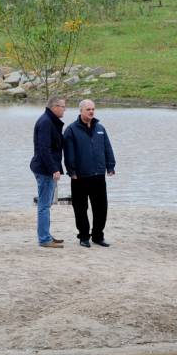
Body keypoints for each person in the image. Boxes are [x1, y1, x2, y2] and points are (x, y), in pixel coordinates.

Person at [63, 99, 116, 248]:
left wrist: (110, 166)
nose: (91, 112)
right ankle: (84, 237)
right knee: (80, 209)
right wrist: (71, 171)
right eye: (88, 109)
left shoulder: (100, 128)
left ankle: (98, 236)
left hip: (98, 175)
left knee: (101, 208)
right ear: (81, 111)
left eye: (93, 109)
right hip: (79, 177)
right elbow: (68, 153)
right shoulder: (71, 130)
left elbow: (107, 147)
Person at [30, 96, 66, 248]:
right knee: (44, 205)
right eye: (63, 106)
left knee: (47, 204)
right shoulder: (46, 122)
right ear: (54, 107)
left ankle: (47, 235)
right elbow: (44, 150)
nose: (64, 109)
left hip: (46, 168)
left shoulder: (50, 121)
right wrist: (54, 169)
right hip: (45, 170)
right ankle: (44, 239)